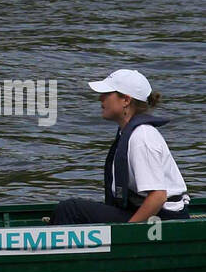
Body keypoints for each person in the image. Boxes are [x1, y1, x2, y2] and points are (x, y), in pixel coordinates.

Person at [50, 69, 190, 225]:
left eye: (107, 93)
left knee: (70, 210)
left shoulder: (141, 137)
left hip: (166, 220)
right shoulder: (129, 133)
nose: (100, 98)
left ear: (126, 100)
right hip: (146, 212)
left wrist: (126, 233)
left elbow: (158, 196)